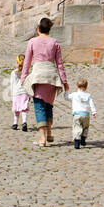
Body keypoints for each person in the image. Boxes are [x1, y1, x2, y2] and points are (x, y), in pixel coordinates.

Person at [22, 17, 68, 146]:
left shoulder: (32, 42)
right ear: (49, 29)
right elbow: (60, 64)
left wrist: (23, 78)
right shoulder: (54, 43)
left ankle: (42, 138)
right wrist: (64, 81)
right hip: (51, 76)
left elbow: (27, 62)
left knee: (39, 106)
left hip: (38, 75)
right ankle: (49, 133)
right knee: (48, 105)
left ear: (38, 29)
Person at [65, 77, 97, 148]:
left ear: (77, 86)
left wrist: (66, 90)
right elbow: (92, 104)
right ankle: (83, 139)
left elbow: (66, 97)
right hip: (86, 114)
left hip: (77, 114)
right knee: (85, 127)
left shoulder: (74, 94)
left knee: (77, 127)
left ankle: (77, 141)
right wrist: (94, 112)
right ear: (86, 87)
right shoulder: (88, 95)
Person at [10, 54, 30, 132]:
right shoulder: (27, 72)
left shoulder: (13, 73)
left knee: (16, 109)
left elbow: (12, 85)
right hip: (24, 92)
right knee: (24, 108)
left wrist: (12, 95)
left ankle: (15, 123)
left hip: (16, 93)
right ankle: (24, 122)